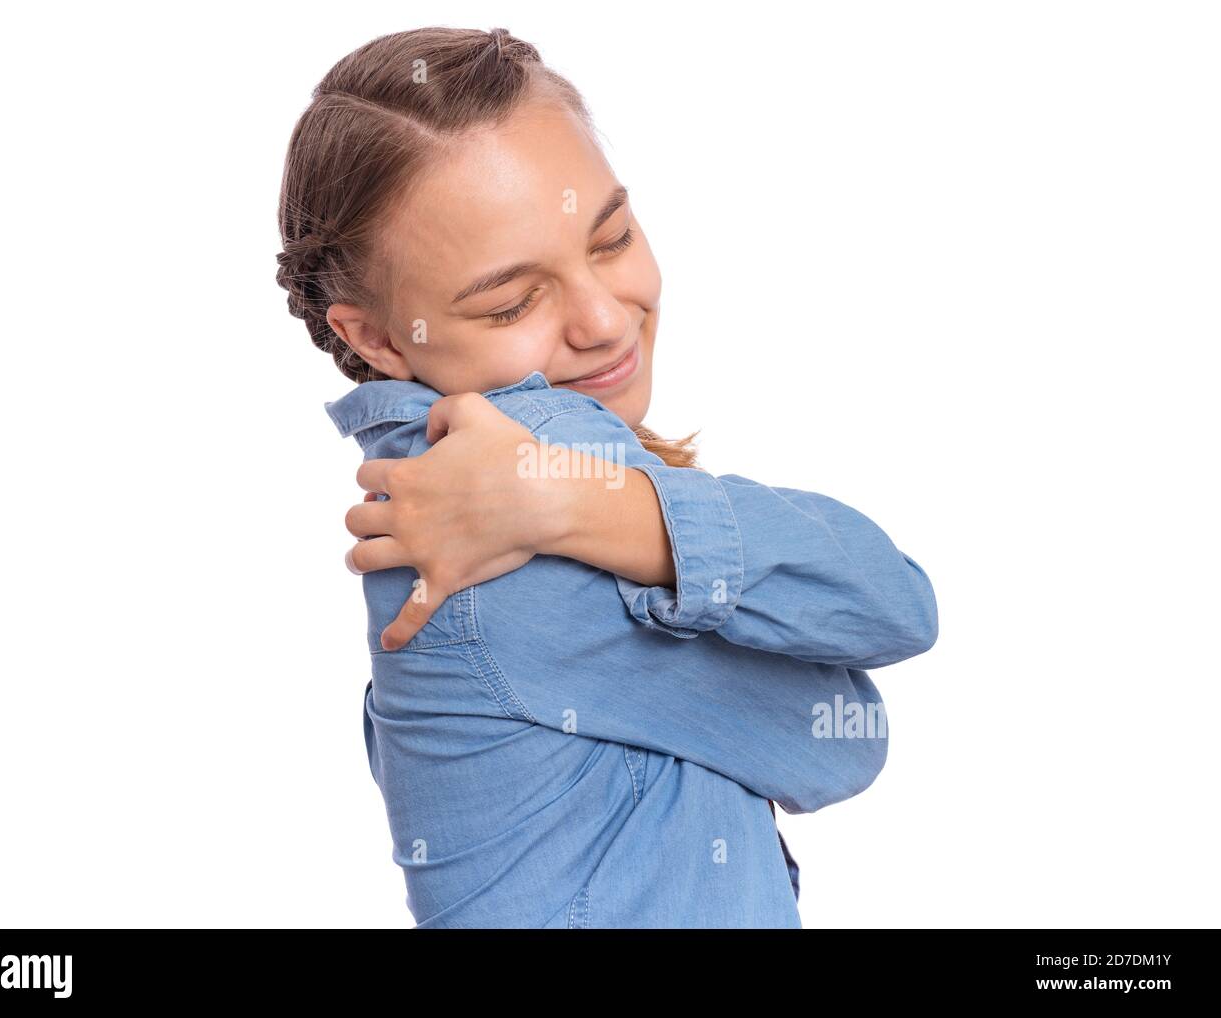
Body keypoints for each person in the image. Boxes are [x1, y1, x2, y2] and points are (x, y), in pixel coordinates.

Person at [276, 26, 938, 928]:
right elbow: (853, 707)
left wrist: (569, 500)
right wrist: (584, 497)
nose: (602, 319)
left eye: (612, 236)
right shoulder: (509, 498)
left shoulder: (480, 490)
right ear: (377, 339)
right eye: (512, 301)